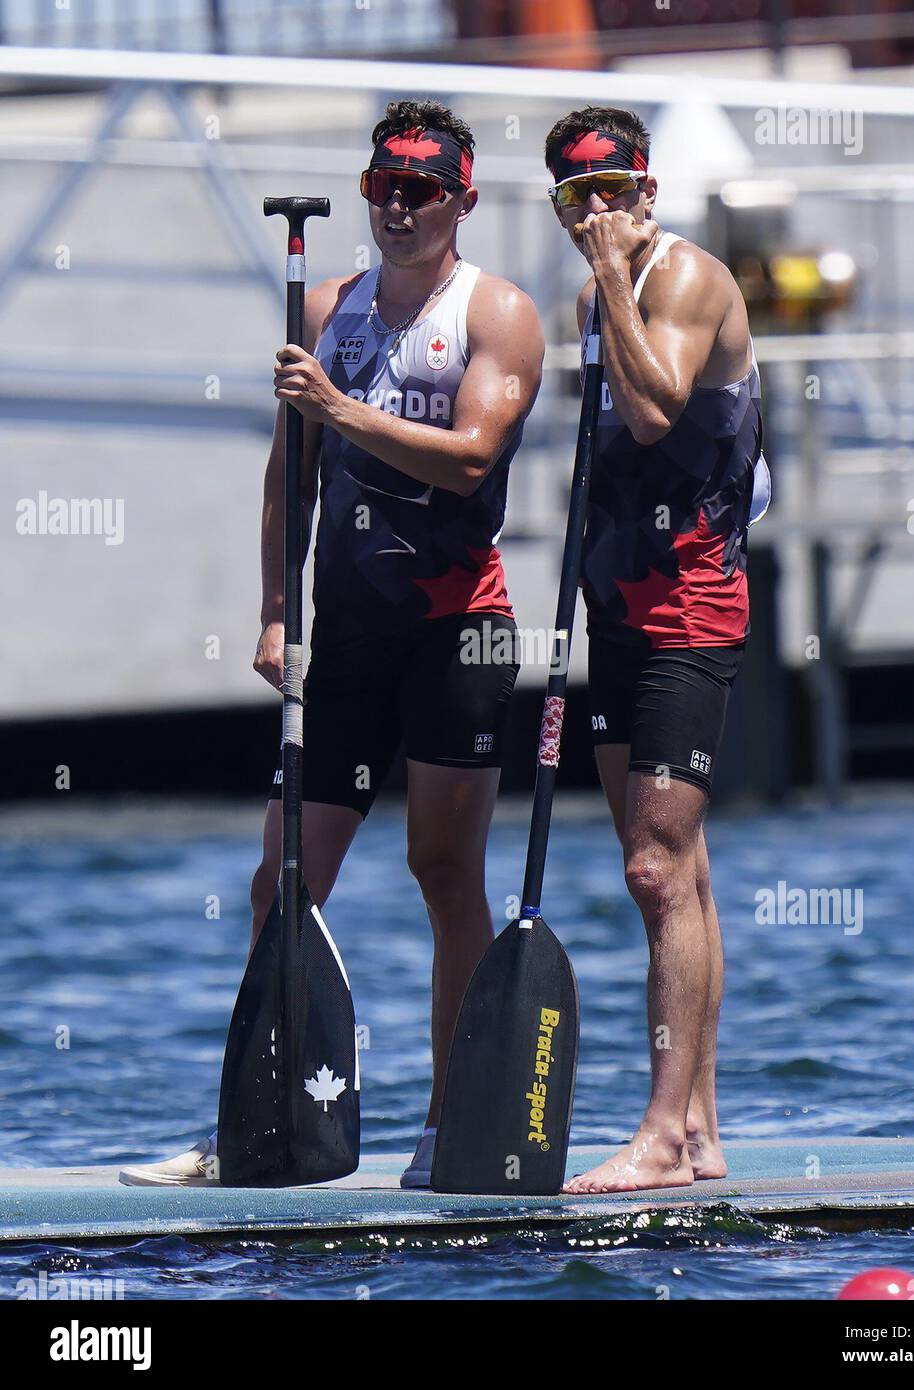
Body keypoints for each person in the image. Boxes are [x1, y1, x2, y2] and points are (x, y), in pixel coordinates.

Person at [120, 99, 544, 1189]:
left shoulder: (498, 314)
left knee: (444, 868)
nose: (399, 206)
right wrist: (275, 607)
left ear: (461, 201)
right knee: (280, 879)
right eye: (382, 186)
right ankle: (264, 1120)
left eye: (422, 190)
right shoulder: (326, 310)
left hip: (465, 633)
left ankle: (452, 1123)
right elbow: (287, 479)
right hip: (347, 638)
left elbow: (470, 458)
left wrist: (340, 407)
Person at [544, 106, 768, 1193]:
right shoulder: (594, 297)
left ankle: (660, 1131)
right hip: (616, 610)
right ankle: (703, 1130)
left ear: (649, 192)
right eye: (574, 200)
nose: (597, 217)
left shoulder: (681, 281)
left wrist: (615, 274)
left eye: (613, 193)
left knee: (653, 865)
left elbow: (651, 409)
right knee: (673, 877)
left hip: (691, 609)